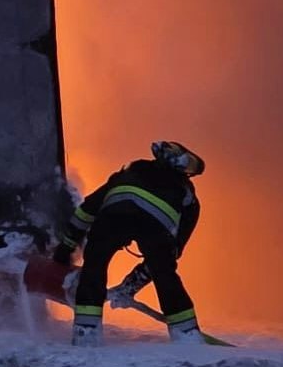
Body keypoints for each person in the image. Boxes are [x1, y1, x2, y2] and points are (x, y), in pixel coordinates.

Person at [54, 141, 207, 346]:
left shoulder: (129, 171)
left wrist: (65, 248)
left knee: (95, 266)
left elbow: (86, 211)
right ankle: (187, 334)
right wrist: (133, 284)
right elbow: (170, 253)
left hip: (113, 217)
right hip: (154, 226)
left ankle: (86, 332)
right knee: (165, 274)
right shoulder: (188, 196)